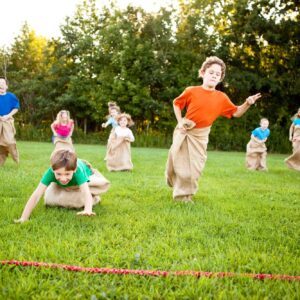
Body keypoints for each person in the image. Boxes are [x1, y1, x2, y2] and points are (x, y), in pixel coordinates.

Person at [165, 56, 262, 202]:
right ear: (203, 73)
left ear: (220, 78)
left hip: (201, 136)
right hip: (185, 131)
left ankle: (185, 193)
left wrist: (247, 103)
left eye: (218, 74)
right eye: (211, 72)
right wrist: (179, 122)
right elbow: (176, 103)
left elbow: (236, 112)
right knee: (179, 165)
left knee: (195, 170)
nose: (214, 75)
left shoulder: (221, 97)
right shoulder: (191, 91)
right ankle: (182, 197)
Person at [15, 149, 110, 223]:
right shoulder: (50, 172)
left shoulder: (78, 171)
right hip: (69, 178)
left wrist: (87, 209)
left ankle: (95, 198)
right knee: (50, 199)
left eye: (67, 174)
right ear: (52, 170)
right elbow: (36, 195)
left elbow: (85, 192)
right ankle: (67, 184)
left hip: (86, 175)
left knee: (81, 198)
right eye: (59, 174)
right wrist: (24, 218)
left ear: (74, 170)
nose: (63, 178)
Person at [0, 77, 20, 166]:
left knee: (9, 142)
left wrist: (7, 116)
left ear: (6, 86)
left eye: (2, 83)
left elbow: (16, 108)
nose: (1, 84)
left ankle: (16, 159)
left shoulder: (11, 96)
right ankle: (1, 161)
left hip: (7, 121)